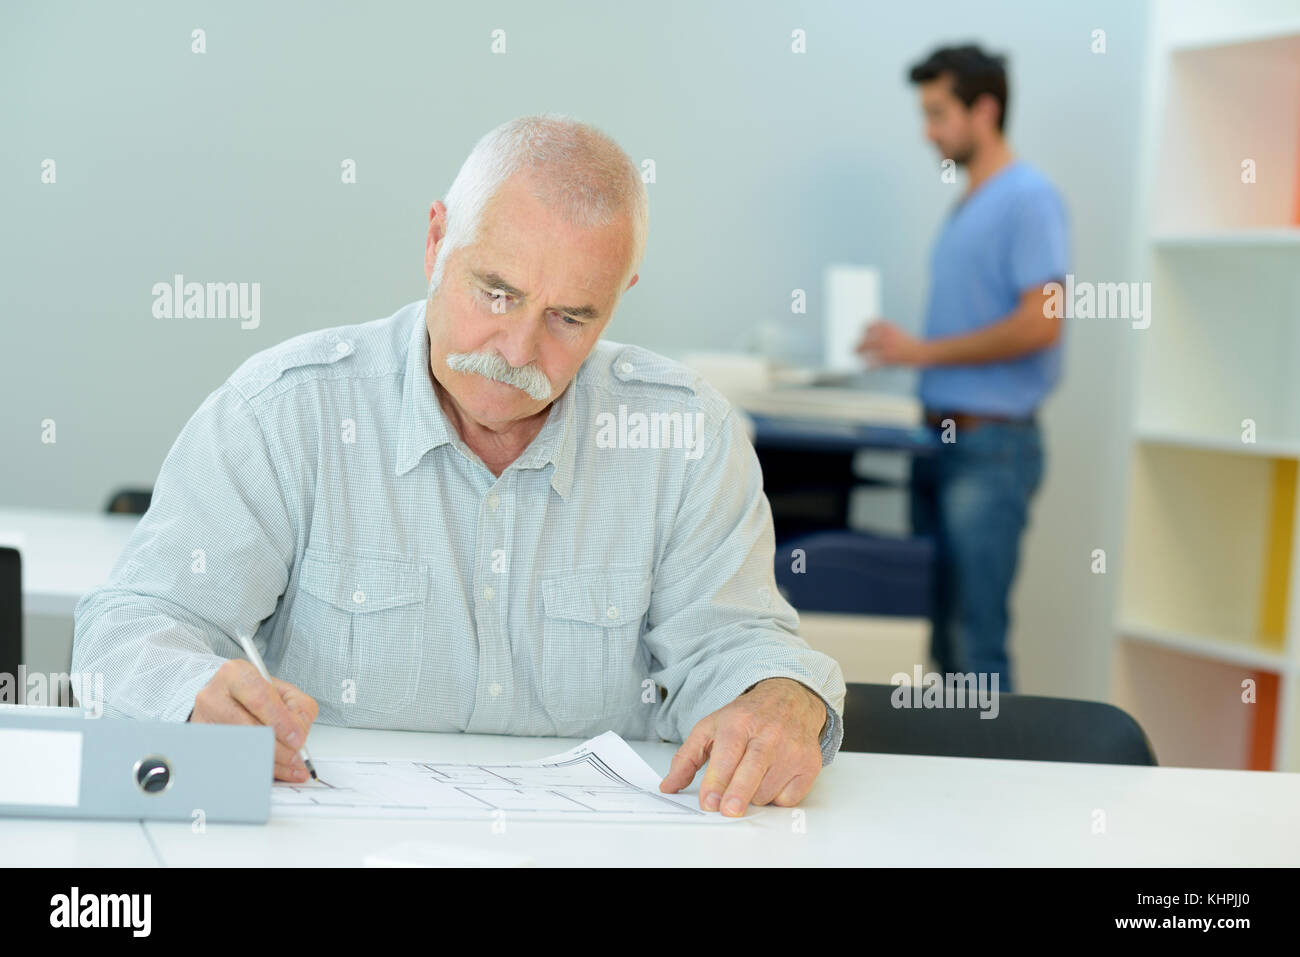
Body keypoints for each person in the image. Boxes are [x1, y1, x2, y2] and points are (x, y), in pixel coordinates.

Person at [73, 114, 845, 818]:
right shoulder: (286, 413)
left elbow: (736, 646)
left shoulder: (682, 436)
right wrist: (187, 693)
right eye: (498, 292)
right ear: (437, 241)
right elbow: (132, 623)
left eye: (570, 317)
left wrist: (780, 696)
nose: (518, 351)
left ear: (618, 299)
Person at [857, 46, 1069, 691]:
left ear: (986, 109)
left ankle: (997, 791)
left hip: (991, 447)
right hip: (941, 441)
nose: (928, 130)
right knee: (943, 640)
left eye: (939, 113)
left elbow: (1044, 319)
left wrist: (924, 351)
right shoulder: (970, 203)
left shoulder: (1029, 198)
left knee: (976, 643)